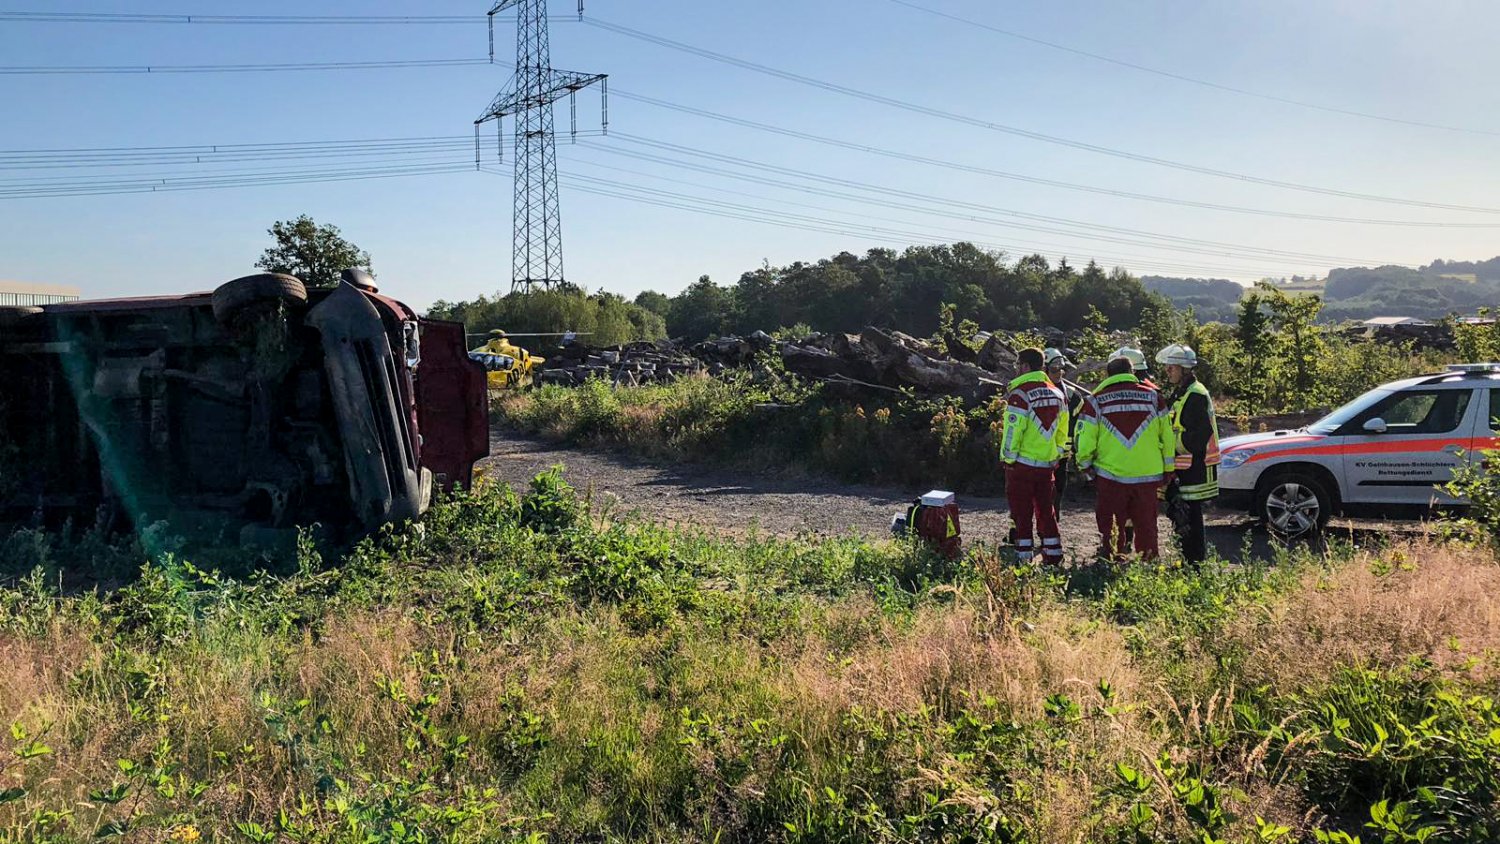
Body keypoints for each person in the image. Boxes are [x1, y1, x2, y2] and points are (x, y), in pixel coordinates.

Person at [1075, 355, 1176, 561]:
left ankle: (1111, 562)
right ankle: (1148, 565)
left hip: (1111, 475)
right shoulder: (1155, 398)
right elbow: (1168, 436)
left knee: (1112, 526)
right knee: (1147, 525)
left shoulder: (1095, 400)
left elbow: (1084, 440)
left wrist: (1085, 467)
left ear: (1108, 375)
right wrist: (1168, 469)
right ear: (1132, 373)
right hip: (1148, 474)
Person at [1001, 348, 1069, 565]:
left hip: (1021, 464)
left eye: (1017, 365)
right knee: (1046, 510)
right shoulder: (1058, 393)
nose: (1016, 369)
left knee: (1022, 513)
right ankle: (1054, 554)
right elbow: (1062, 432)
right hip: (1047, 465)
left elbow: (1013, 432)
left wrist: (1008, 459)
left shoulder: (1020, 394)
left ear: (1025, 366)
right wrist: (1056, 455)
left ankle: (1023, 557)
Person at [1157, 344, 1221, 565]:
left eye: (1171, 368)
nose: (1167, 372)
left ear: (1184, 369)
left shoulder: (1196, 394)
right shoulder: (1183, 392)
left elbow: (1199, 435)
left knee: (1191, 517)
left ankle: (1194, 564)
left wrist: (1169, 446)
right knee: (1180, 514)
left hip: (1194, 467)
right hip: (1184, 466)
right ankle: (1187, 560)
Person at [1044, 348, 1086, 519]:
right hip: (1035, 454)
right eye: (1054, 369)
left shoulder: (1073, 397)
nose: (1058, 373)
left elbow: (1078, 429)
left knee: (1057, 489)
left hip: (1060, 456)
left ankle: (1053, 523)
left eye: (1061, 368)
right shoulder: (1030, 392)